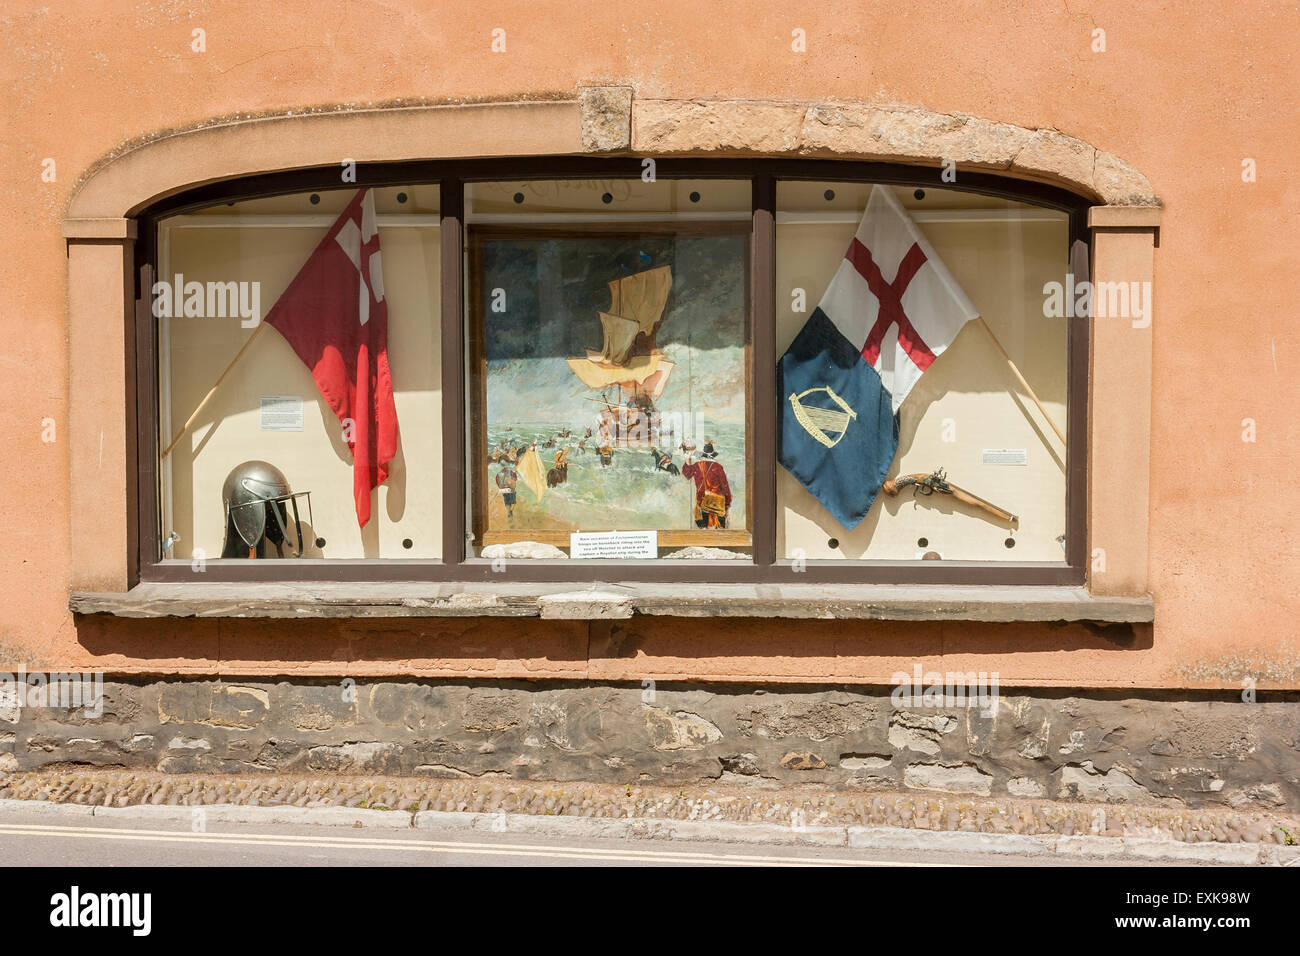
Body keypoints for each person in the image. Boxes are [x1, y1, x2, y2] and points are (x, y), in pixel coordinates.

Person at [682, 449, 731, 529]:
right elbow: (725, 486)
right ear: (713, 456)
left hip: (702, 500)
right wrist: (727, 502)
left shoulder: (697, 465)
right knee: (721, 529)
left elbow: (687, 474)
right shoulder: (718, 467)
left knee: (703, 528)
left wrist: (687, 460)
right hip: (718, 502)